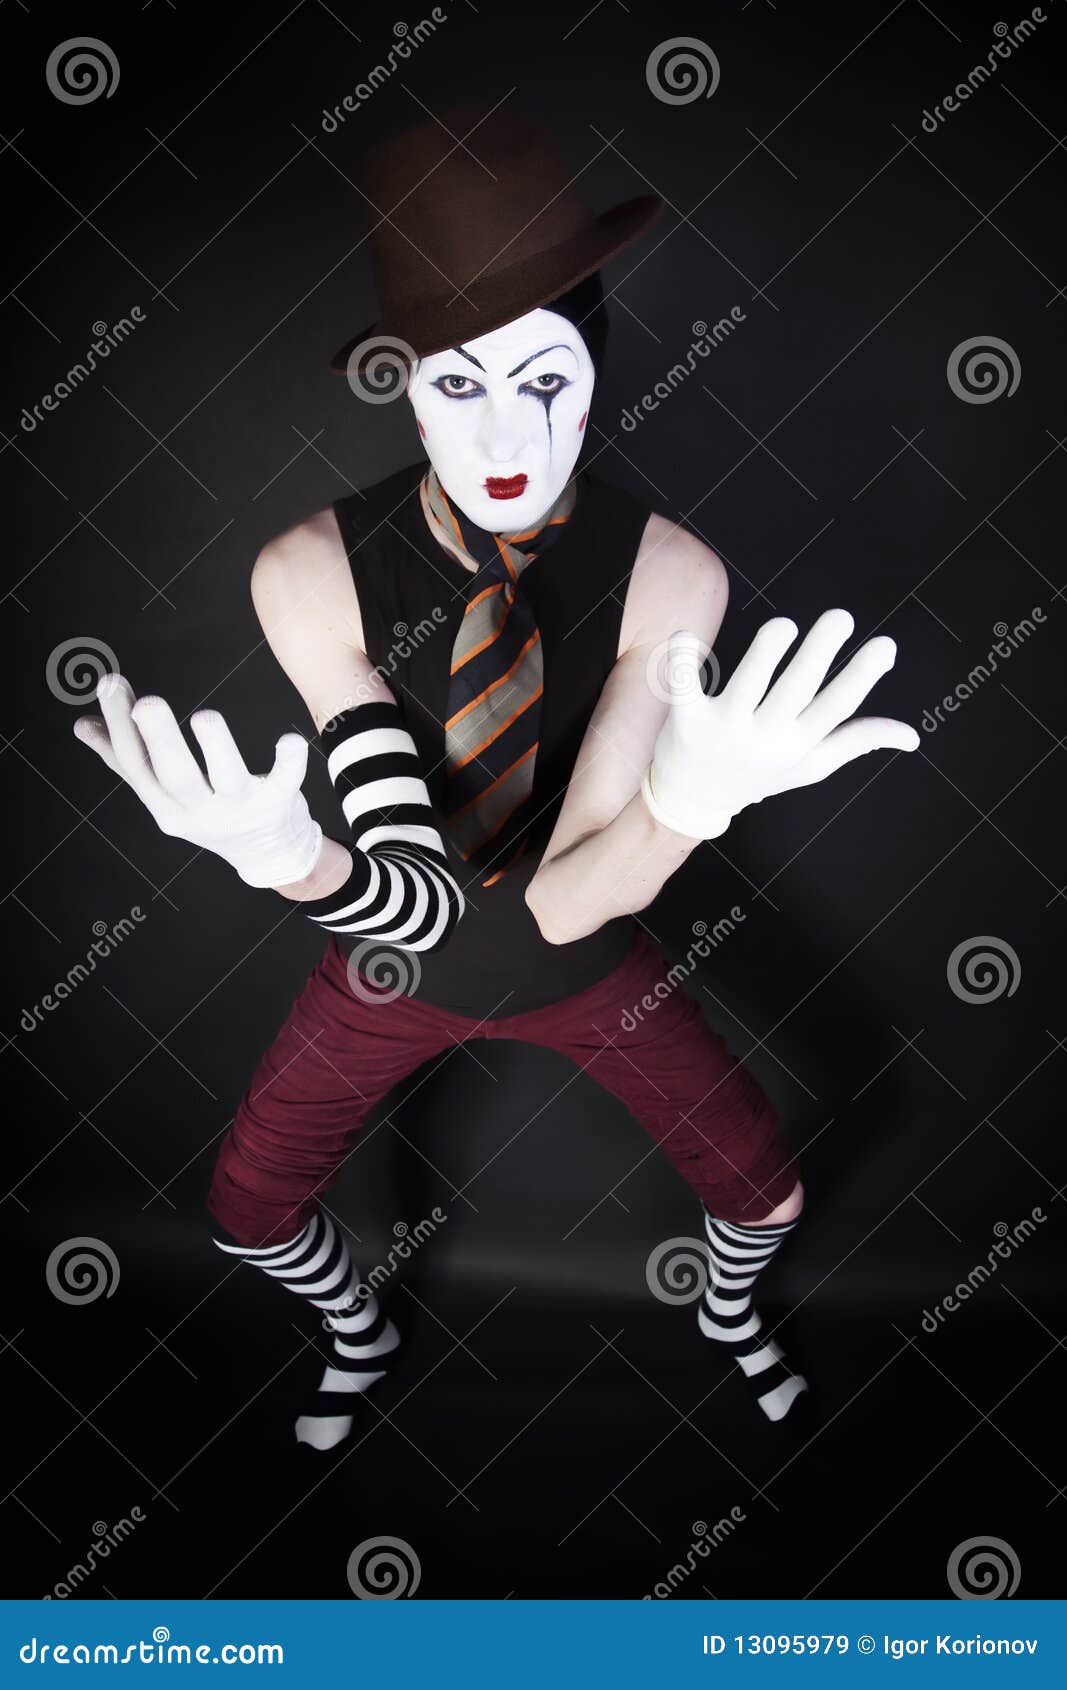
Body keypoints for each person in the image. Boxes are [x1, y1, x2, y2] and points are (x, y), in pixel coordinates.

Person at [73, 105, 918, 1451]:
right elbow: (417, 888)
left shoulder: (670, 577)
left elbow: (565, 906)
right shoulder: (308, 574)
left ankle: (731, 1314)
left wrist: (691, 799)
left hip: (580, 965)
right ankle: (361, 1326)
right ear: (404, 384)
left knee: (767, 1205)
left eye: (545, 379)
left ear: (597, 366)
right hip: (393, 965)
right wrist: (285, 853)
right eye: (459, 384)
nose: (507, 433)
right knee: (245, 1219)